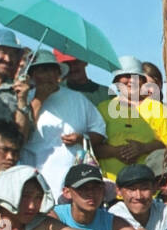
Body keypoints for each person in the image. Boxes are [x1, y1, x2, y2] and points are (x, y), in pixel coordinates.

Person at [18, 50, 108, 196]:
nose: (48, 75)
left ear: (59, 74)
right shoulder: (24, 99)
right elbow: (20, 136)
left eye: (52, 70)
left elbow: (100, 131)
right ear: (32, 75)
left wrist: (81, 138)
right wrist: (39, 99)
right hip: (35, 183)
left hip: (74, 184)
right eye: (42, 70)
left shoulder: (77, 99)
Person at [95, 56, 167, 184]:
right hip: (112, 187)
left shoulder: (158, 108)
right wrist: (115, 151)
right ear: (117, 81)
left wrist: (143, 148)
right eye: (126, 76)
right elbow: (94, 147)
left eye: (135, 76)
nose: (131, 80)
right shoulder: (103, 108)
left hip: (150, 186)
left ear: (142, 80)